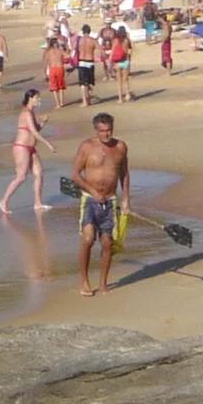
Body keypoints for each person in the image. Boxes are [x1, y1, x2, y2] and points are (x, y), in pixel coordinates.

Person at [69, 113, 132, 297]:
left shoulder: (120, 147)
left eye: (110, 130)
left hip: (110, 201)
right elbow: (75, 174)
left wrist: (126, 198)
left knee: (107, 244)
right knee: (88, 239)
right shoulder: (87, 147)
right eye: (103, 131)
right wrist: (93, 191)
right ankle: (84, 281)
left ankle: (103, 283)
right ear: (96, 130)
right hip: (90, 200)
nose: (107, 134)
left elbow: (125, 174)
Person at [0, 87, 53, 214]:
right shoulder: (26, 113)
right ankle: (3, 201)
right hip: (21, 147)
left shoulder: (31, 112)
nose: (39, 100)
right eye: (37, 97)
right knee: (21, 177)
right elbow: (34, 132)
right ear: (30, 98)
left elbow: (35, 130)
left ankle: (38, 203)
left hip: (31, 148)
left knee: (39, 173)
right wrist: (48, 143)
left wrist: (43, 123)